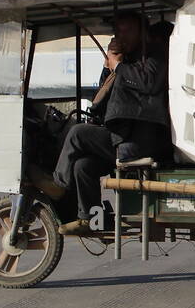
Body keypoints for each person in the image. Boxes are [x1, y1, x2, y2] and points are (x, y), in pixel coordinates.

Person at [53, 13, 171, 236]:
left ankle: (58, 185)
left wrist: (118, 66)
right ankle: (92, 219)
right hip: (120, 136)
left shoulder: (155, 52)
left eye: (126, 31)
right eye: (118, 32)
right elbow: (102, 94)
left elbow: (149, 82)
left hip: (137, 140)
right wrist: (110, 64)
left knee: (77, 134)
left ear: (142, 31)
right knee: (83, 167)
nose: (121, 36)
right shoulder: (126, 59)